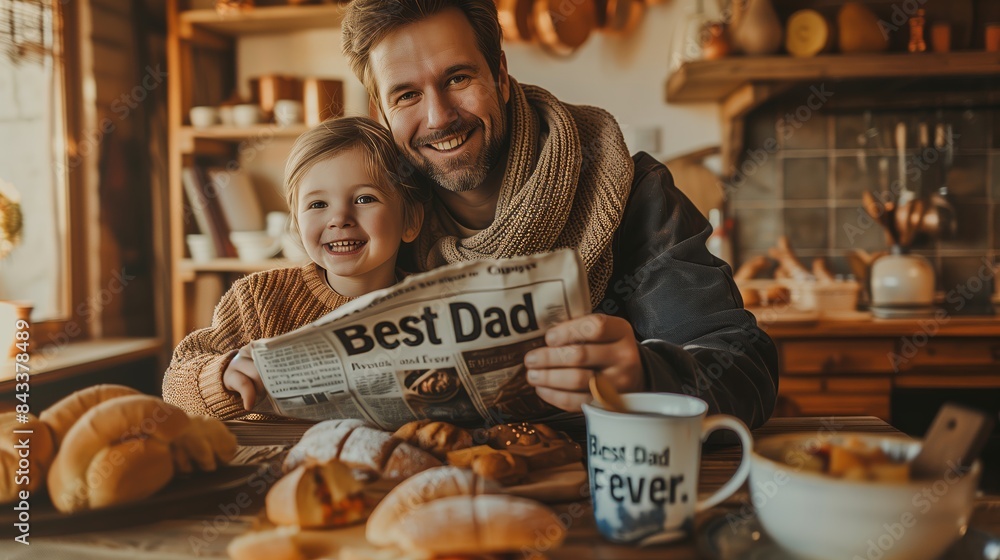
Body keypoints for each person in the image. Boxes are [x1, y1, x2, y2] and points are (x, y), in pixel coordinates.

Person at [341, 0, 780, 428]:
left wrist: (646, 377)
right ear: (381, 113)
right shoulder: (377, 217)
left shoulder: (632, 191)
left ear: (501, 75)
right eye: (407, 95)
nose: (438, 117)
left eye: (457, 78)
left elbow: (744, 367)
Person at [163, 117, 425, 418]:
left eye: (365, 198)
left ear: (410, 221)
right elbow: (175, 385)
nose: (339, 218)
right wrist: (221, 377)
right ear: (298, 225)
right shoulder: (259, 298)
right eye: (317, 204)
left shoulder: (431, 304)